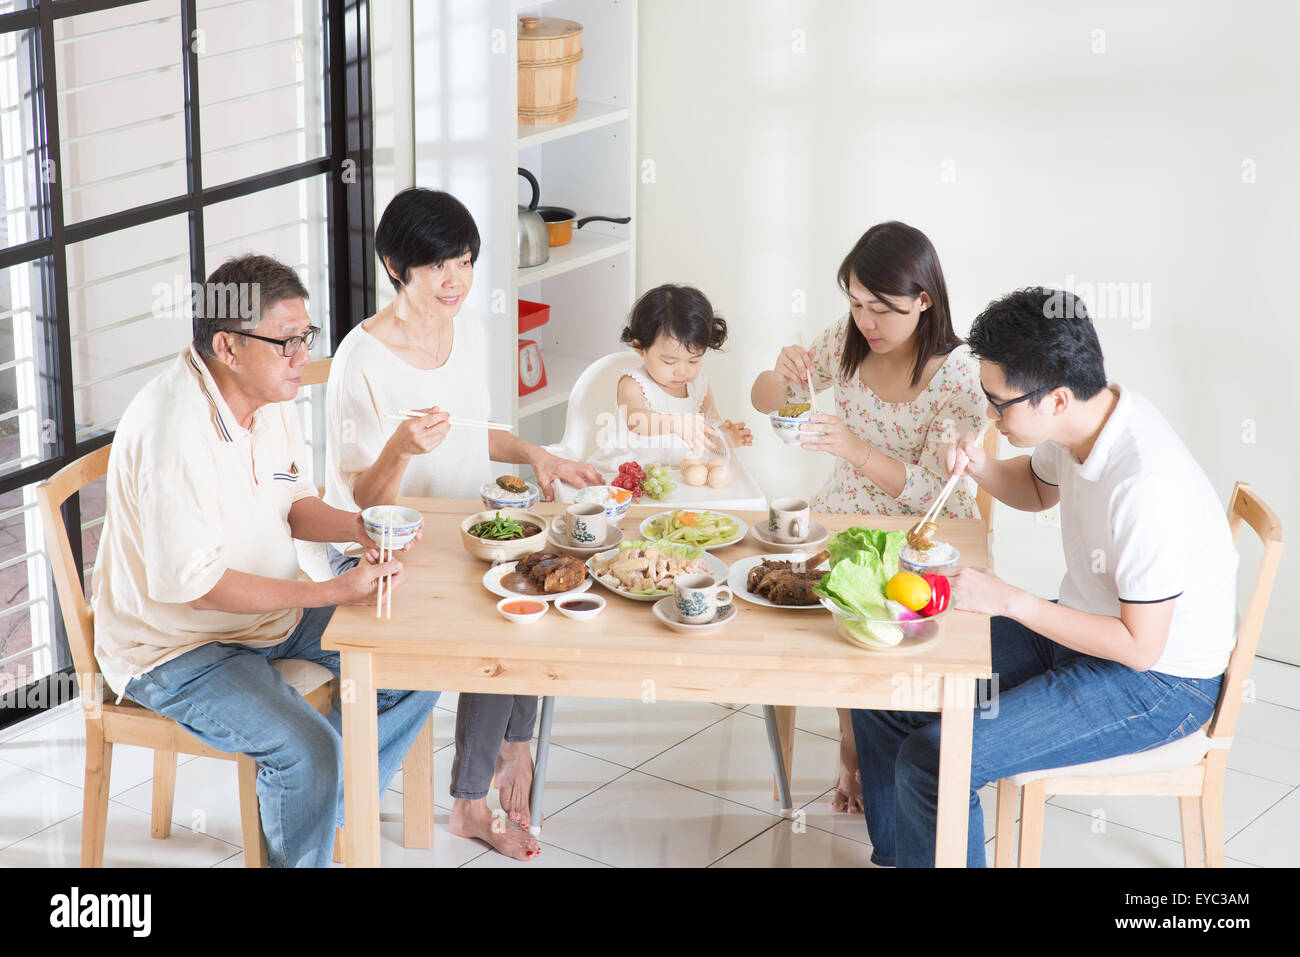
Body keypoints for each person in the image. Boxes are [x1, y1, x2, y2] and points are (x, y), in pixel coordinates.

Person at [851, 287, 1237, 866]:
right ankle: (904, 857)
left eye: (998, 402)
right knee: (885, 686)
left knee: (935, 759)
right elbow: (1035, 490)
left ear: (1055, 398)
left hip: (1160, 681)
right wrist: (979, 466)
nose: (989, 415)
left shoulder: (1144, 485)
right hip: (1083, 629)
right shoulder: (1088, 418)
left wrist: (1010, 600)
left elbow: (1140, 646)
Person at [91, 254, 438, 867]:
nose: (302, 356)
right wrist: (333, 593)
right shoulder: (175, 431)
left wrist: (360, 527)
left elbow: (295, 505)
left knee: (418, 664)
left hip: (265, 619)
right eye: (286, 342)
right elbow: (199, 589)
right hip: (175, 650)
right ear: (227, 345)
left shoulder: (270, 394)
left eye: (306, 337)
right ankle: (312, 805)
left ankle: (320, 814)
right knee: (308, 751)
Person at [323, 187, 600, 861]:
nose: (456, 280)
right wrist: (400, 449)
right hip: (382, 548)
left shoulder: (467, 326)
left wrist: (537, 453)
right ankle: (475, 796)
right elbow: (361, 501)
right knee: (503, 612)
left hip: (461, 532)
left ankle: (510, 744)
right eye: (438, 266)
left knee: (541, 588)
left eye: (466, 261)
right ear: (395, 265)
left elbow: (481, 435)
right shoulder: (360, 360)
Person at [749, 221, 986, 815]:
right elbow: (762, 400)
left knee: (879, 624)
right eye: (855, 304)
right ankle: (855, 745)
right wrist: (782, 377)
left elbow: (939, 490)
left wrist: (856, 449)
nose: (866, 322)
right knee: (817, 615)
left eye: (882, 308)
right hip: (847, 518)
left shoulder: (957, 377)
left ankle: (880, 758)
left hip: (925, 532)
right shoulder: (851, 339)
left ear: (924, 301)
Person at [589, 283, 753, 474]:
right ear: (640, 348)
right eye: (669, 362)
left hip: (677, 473)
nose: (682, 371)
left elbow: (709, 430)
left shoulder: (699, 386)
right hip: (629, 471)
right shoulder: (633, 384)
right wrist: (676, 423)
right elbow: (636, 421)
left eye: (693, 361)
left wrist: (726, 438)